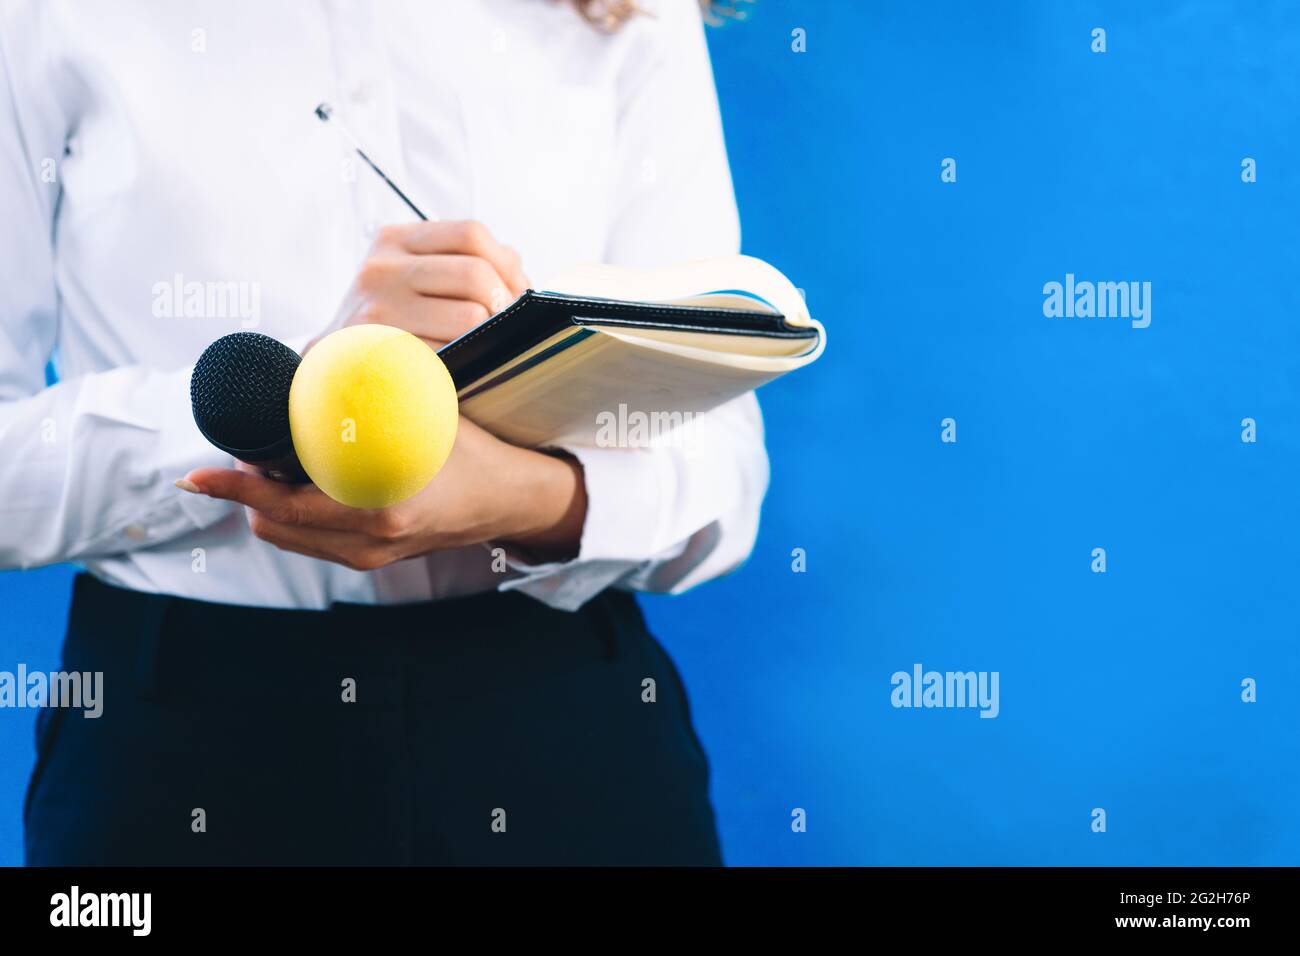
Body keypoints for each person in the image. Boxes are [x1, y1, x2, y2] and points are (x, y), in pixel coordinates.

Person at [0, 0, 766, 865]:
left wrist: (524, 497)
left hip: (565, 724)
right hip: (177, 735)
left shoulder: (633, 12)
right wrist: (291, 399)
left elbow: (721, 469)